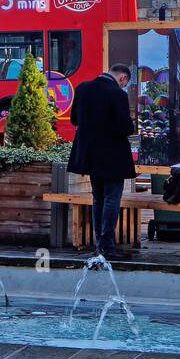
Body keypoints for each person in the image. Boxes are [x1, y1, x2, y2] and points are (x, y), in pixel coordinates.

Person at [68, 63, 137, 260]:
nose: (123, 86)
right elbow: (126, 128)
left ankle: (100, 245)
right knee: (111, 198)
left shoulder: (82, 88)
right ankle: (107, 247)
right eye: (124, 83)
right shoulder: (117, 94)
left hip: (89, 155)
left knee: (98, 198)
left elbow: (74, 120)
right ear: (122, 78)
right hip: (113, 155)